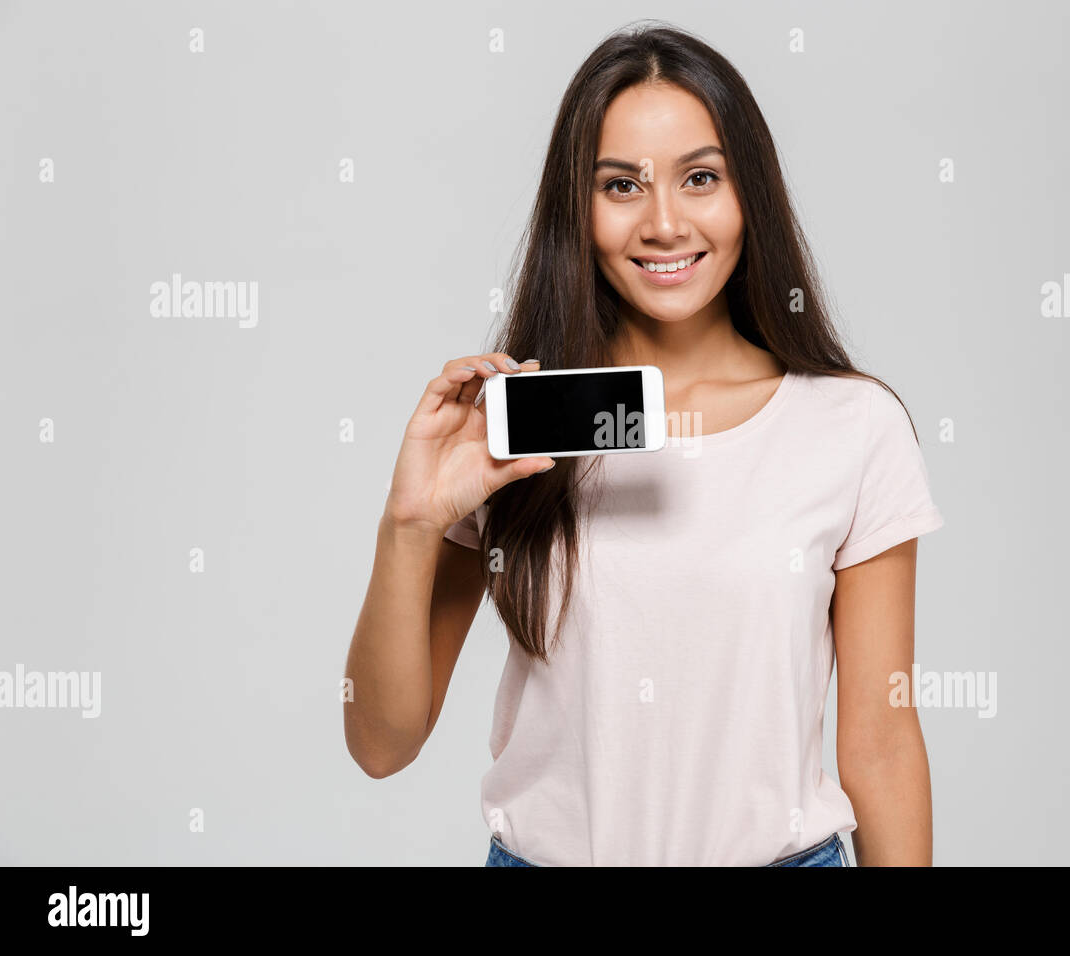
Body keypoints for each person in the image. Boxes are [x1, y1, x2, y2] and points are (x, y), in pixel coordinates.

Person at [343, 21, 945, 867]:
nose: (665, 222)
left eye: (701, 178)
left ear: (750, 196)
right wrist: (409, 522)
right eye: (621, 186)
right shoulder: (516, 434)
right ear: (577, 210)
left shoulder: (849, 427)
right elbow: (381, 743)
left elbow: (880, 743)